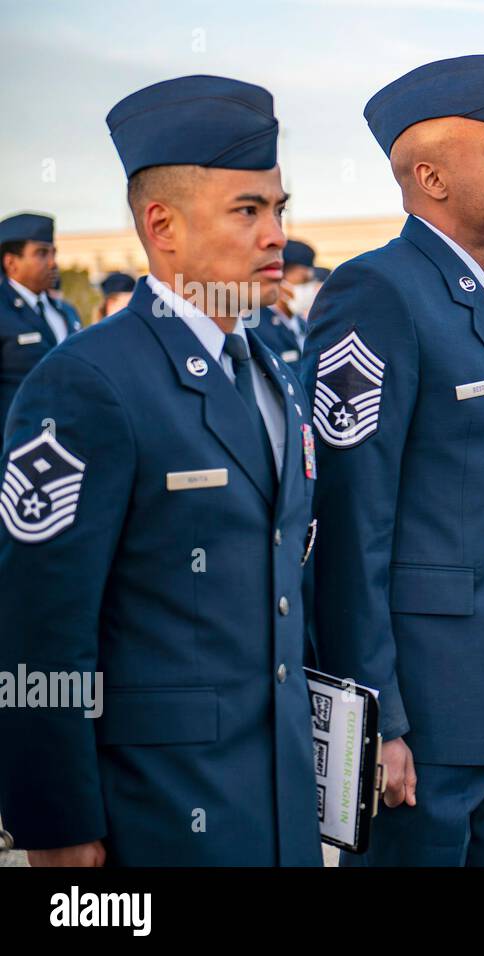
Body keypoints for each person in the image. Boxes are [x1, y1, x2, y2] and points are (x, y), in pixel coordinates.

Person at [0, 75, 322, 866]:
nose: (274, 234)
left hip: (271, 795)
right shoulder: (89, 382)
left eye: (278, 209)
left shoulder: (263, 370)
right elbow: (39, 627)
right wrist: (58, 823)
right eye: (247, 210)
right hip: (159, 809)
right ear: (162, 224)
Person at [302, 54, 484, 867]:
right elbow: (349, 522)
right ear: (432, 178)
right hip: (426, 711)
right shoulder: (379, 291)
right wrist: (377, 719)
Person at [0, 213, 82, 426]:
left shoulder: (66, 312)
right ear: (11, 262)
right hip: (16, 444)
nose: (53, 263)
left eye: (54, 253)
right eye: (41, 253)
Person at [252, 238, 316, 370]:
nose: (308, 288)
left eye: (310, 281)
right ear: (279, 280)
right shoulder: (256, 328)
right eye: (303, 281)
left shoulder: (304, 325)